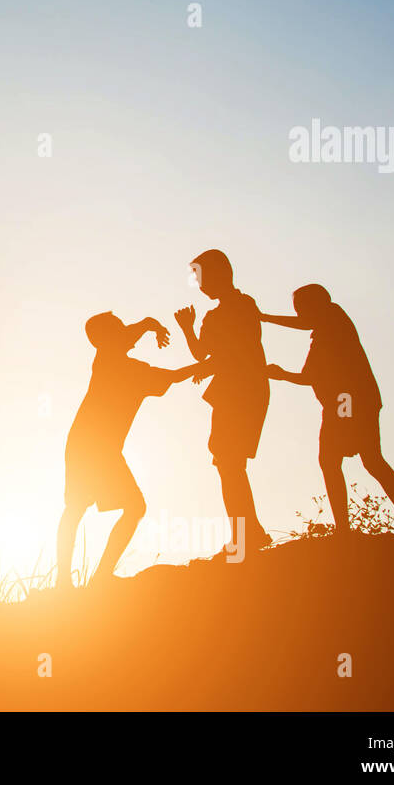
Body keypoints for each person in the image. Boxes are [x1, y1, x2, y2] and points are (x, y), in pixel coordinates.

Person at [57, 313, 204, 589]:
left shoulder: (111, 360)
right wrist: (208, 364)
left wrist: (151, 325)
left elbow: (142, 341)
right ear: (109, 337)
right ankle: (95, 579)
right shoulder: (119, 365)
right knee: (131, 507)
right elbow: (171, 376)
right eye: (120, 328)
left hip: (87, 445)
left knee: (77, 508)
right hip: (96, 447)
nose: (127, 331)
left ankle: (66, 580)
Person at [263, 284, 394, 539]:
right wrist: (282, 373)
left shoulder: (333, 319)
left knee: (341, 460)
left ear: (317, 305)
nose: (299, 315)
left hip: (349, 403)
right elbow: (308, 375)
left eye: (301, 309)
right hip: (352, 402)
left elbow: (307, 374)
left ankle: (347, 532)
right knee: (367, 461)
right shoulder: (326, 329)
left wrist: (265, 320)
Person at [175, 249, 272, 553]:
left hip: (243, 391)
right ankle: (248, 533)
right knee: (228, 463)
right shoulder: (216, 314)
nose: (200, 285)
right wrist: (188, 329)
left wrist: (209, 363)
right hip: (234, 390)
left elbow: (232, 351)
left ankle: (247, 537)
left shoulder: (244, 305)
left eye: (202, 277)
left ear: (221, 275)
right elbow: (204, 354)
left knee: (230, 463)